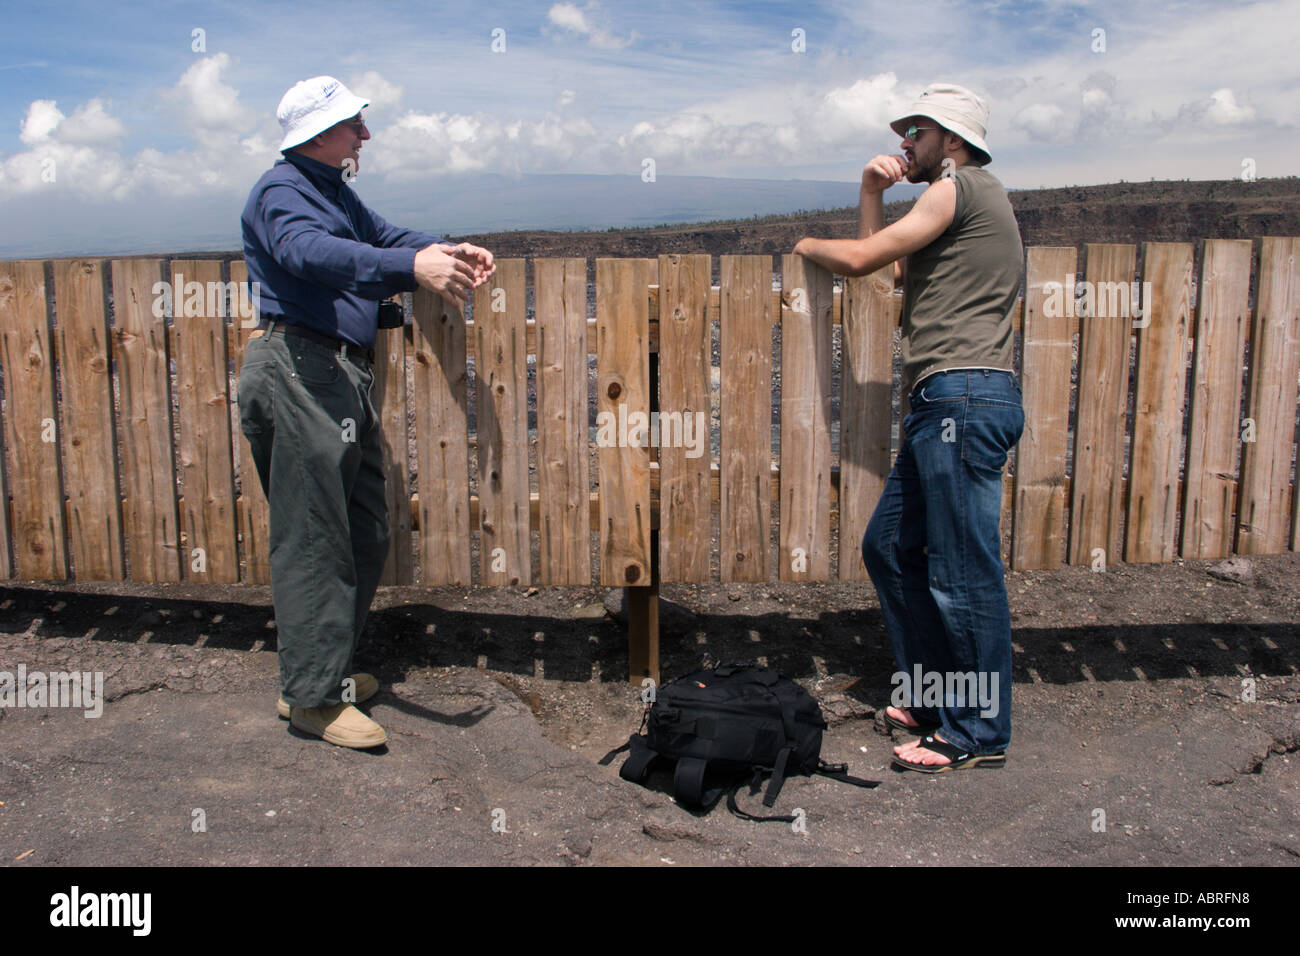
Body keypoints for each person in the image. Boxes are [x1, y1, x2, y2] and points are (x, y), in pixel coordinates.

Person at [238, 76, 495, 749]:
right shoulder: (281, 192)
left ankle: (324, 671)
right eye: (355, 124)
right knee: (317, 538)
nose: (365, 135)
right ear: (319, 133)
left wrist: (445, 248)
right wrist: (412, 266)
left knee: (364, 525)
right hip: (298, 369)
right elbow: (311, 254)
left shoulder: (332, 193)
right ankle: (312, 698)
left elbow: (383, 235)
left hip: (333, 373)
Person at [793, 83, 1023, 772]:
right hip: (947, 401)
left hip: (964, 398)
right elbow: (884, 263)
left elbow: (858, 263)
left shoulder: (960, 188)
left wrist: (803, 242)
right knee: (891, 548)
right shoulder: (959, 197)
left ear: (951, 139)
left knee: (961, 572)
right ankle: (931, 695)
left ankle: (979, 731)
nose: (905, 143)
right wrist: (870, 190)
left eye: (916, 131)